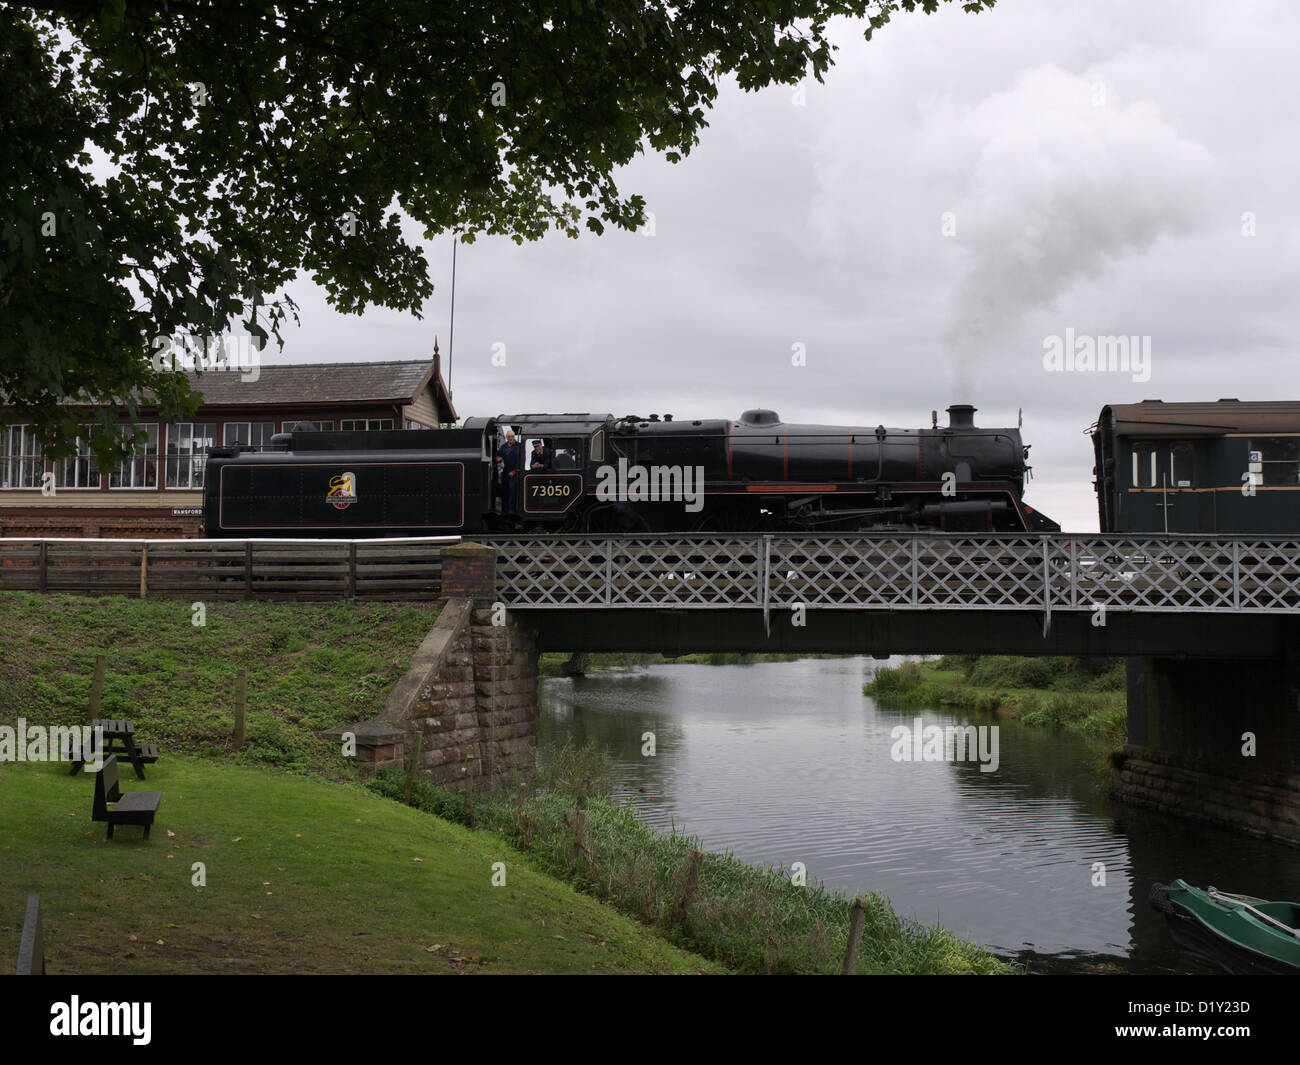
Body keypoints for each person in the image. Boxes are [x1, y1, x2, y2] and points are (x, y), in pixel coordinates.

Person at [495, 429, 520, 513]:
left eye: (512, 436)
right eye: (509, 437)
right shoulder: (504, 446)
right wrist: (498, 458)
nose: (510, 438)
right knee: (504, 490)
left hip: (515, 472)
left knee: (512, 490)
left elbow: (521, 460)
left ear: (514, 437)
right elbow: (498, 455)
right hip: (505, 471)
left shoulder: (519, 446)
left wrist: (515, 471)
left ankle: (511, 509)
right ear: (506, 437)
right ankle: (504, 509)